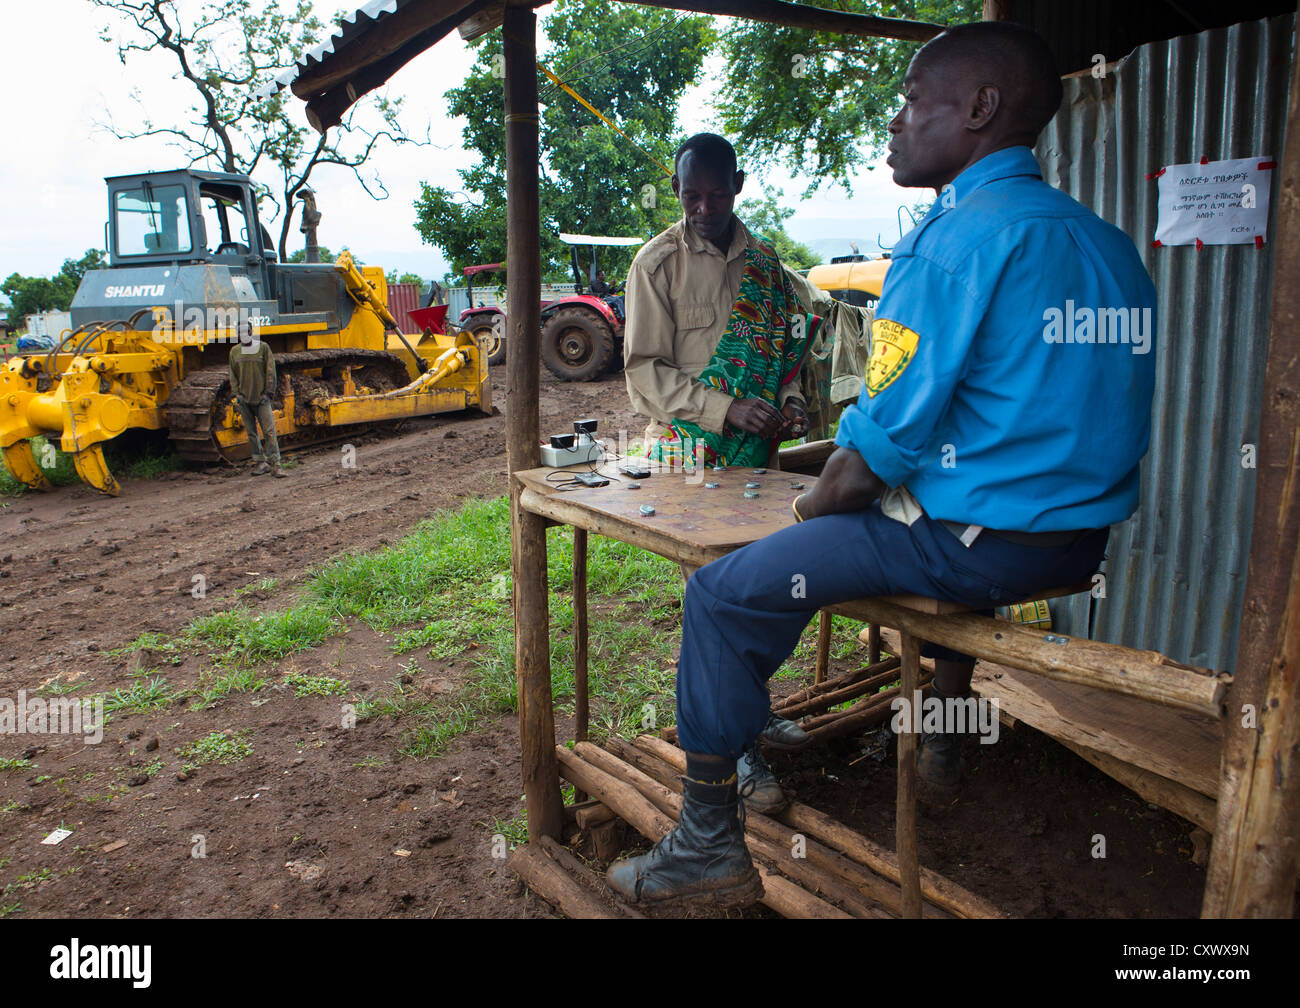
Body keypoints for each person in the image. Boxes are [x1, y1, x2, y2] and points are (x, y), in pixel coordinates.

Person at [607, 20, 1158, 909]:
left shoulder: (949, 244)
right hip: (1075, 546)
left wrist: (804, 512)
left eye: (910, 102)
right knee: (793, 567)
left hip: (970, 544)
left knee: (722, 593)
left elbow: (869, 464)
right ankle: (920, 732)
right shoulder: (1109, 245)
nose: (895, 124)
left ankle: (708, 841)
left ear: (979, 109)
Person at [625, 133, 866, 813]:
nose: (702, 207)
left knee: (761, 595)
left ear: (738, 183)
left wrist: (788, 409)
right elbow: (645, 377)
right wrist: (727, 409)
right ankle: (736, 753)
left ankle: (751, 714)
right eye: (688, 195)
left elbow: (789, 358)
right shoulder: (656, 265)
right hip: (685, 458)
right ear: (677, 192)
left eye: (715, 192)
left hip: (755, 464)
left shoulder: (767, 268)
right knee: (717, 605)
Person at [229, 322, 286, 478]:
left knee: (269, 431)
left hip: (261, 398)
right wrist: (236, 394)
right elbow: (232, 375)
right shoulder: (235, 352)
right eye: (240, 333)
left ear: (251, 332)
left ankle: (276, 464)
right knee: (251, 433)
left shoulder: (263, 348)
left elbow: (270, 371)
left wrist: (268, 393)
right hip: (244, 399)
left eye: (246, 332)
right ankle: (260, 463)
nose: (244, 335)